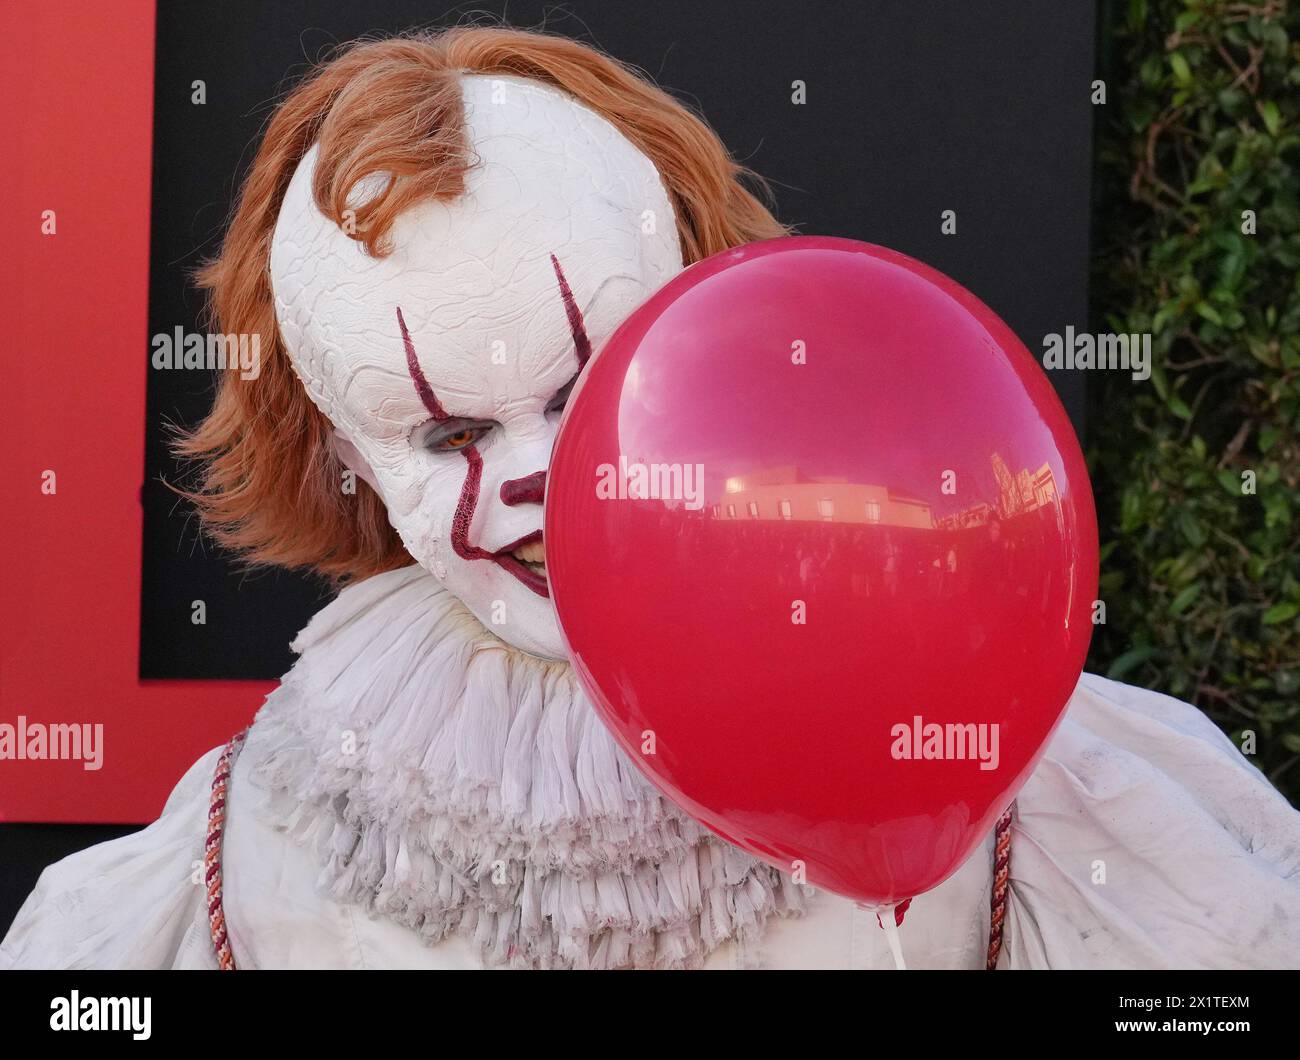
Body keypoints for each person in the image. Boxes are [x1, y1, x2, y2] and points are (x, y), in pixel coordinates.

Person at [4, 26, 1298, 970]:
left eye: (592, 387)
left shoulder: (1018, 772)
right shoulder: (219, 863)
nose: (538, 481)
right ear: (346, 451)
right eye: (448, 430)